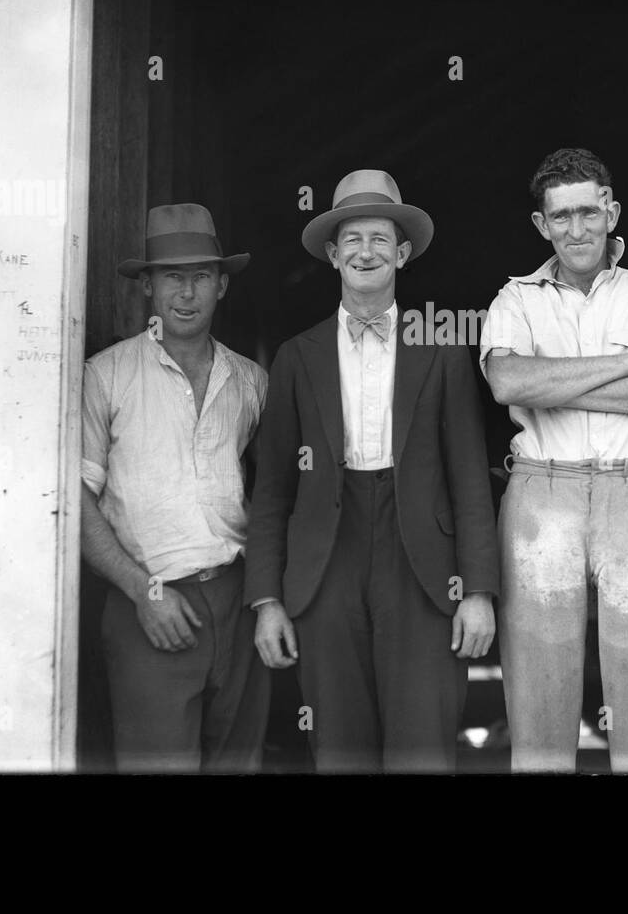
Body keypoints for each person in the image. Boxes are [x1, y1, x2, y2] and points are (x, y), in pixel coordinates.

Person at [245, 169, 499, 772]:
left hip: (423, 562)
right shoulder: (295, 356)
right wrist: (266, 600)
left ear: (403, 253)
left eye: (381, 239)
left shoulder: (441, 349)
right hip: (324, 558)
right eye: (353, 239)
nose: (367, 251)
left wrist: (480, 591)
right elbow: (272, 489)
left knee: (424, 742)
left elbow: (469, 476)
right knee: (339, 744)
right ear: (333, 254)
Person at [480, 147, 628, 772]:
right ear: (541, 225)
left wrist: (558, 384)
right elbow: (509, 384)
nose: (576, 230)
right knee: (538, 715)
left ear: (611, 211)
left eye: (588, 212)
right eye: (561, 217)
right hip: (541, 497)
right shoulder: (516, 298)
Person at [80, 203, 270, 772]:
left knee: (237, 763)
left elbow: (275, 492)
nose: (187, 293)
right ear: (147, 286)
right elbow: (76, 501)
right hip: (149, 602)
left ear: (223, 285)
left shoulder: (250, 380)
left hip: (238, 598)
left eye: (201, 276)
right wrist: (143, 592)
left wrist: (265, 595)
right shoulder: (106, 375)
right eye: (172, 277)